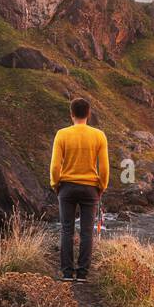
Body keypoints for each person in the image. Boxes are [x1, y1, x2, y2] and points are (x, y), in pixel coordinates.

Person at [49, 97, 109, 282]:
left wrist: (55, 184)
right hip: (90, 188)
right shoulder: (99, 135)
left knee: (66, 230)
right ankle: (82, 274)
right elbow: (105, 167)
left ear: (71, 114)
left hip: (66, 187)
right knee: (86, 232)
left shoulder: (62, 134)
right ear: (88, 114)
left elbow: (54, 166)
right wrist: (102, 186)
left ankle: (67, 273)